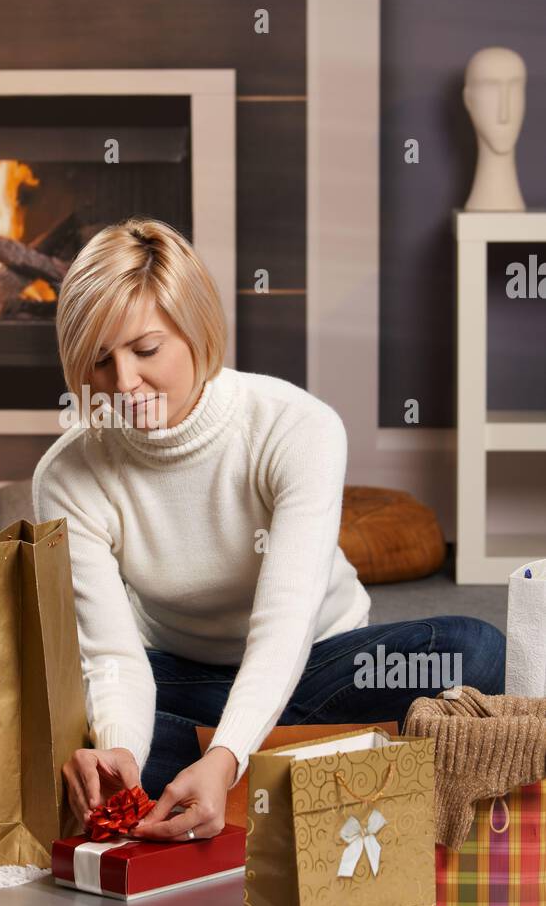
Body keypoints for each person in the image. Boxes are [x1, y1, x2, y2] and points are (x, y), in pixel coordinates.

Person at [31, 218, 506, 844]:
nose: (123, 384)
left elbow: (284, 623)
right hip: (179, 672)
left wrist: (226, 756)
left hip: (315, 662)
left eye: (145, 350)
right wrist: (119, 749)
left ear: (196, 330)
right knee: (55, 725)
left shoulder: (296, 426)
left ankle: (221, 761)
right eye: (99, 360)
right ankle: (315, 757)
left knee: (473, 650)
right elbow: (113, 657)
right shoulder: (66, 475)